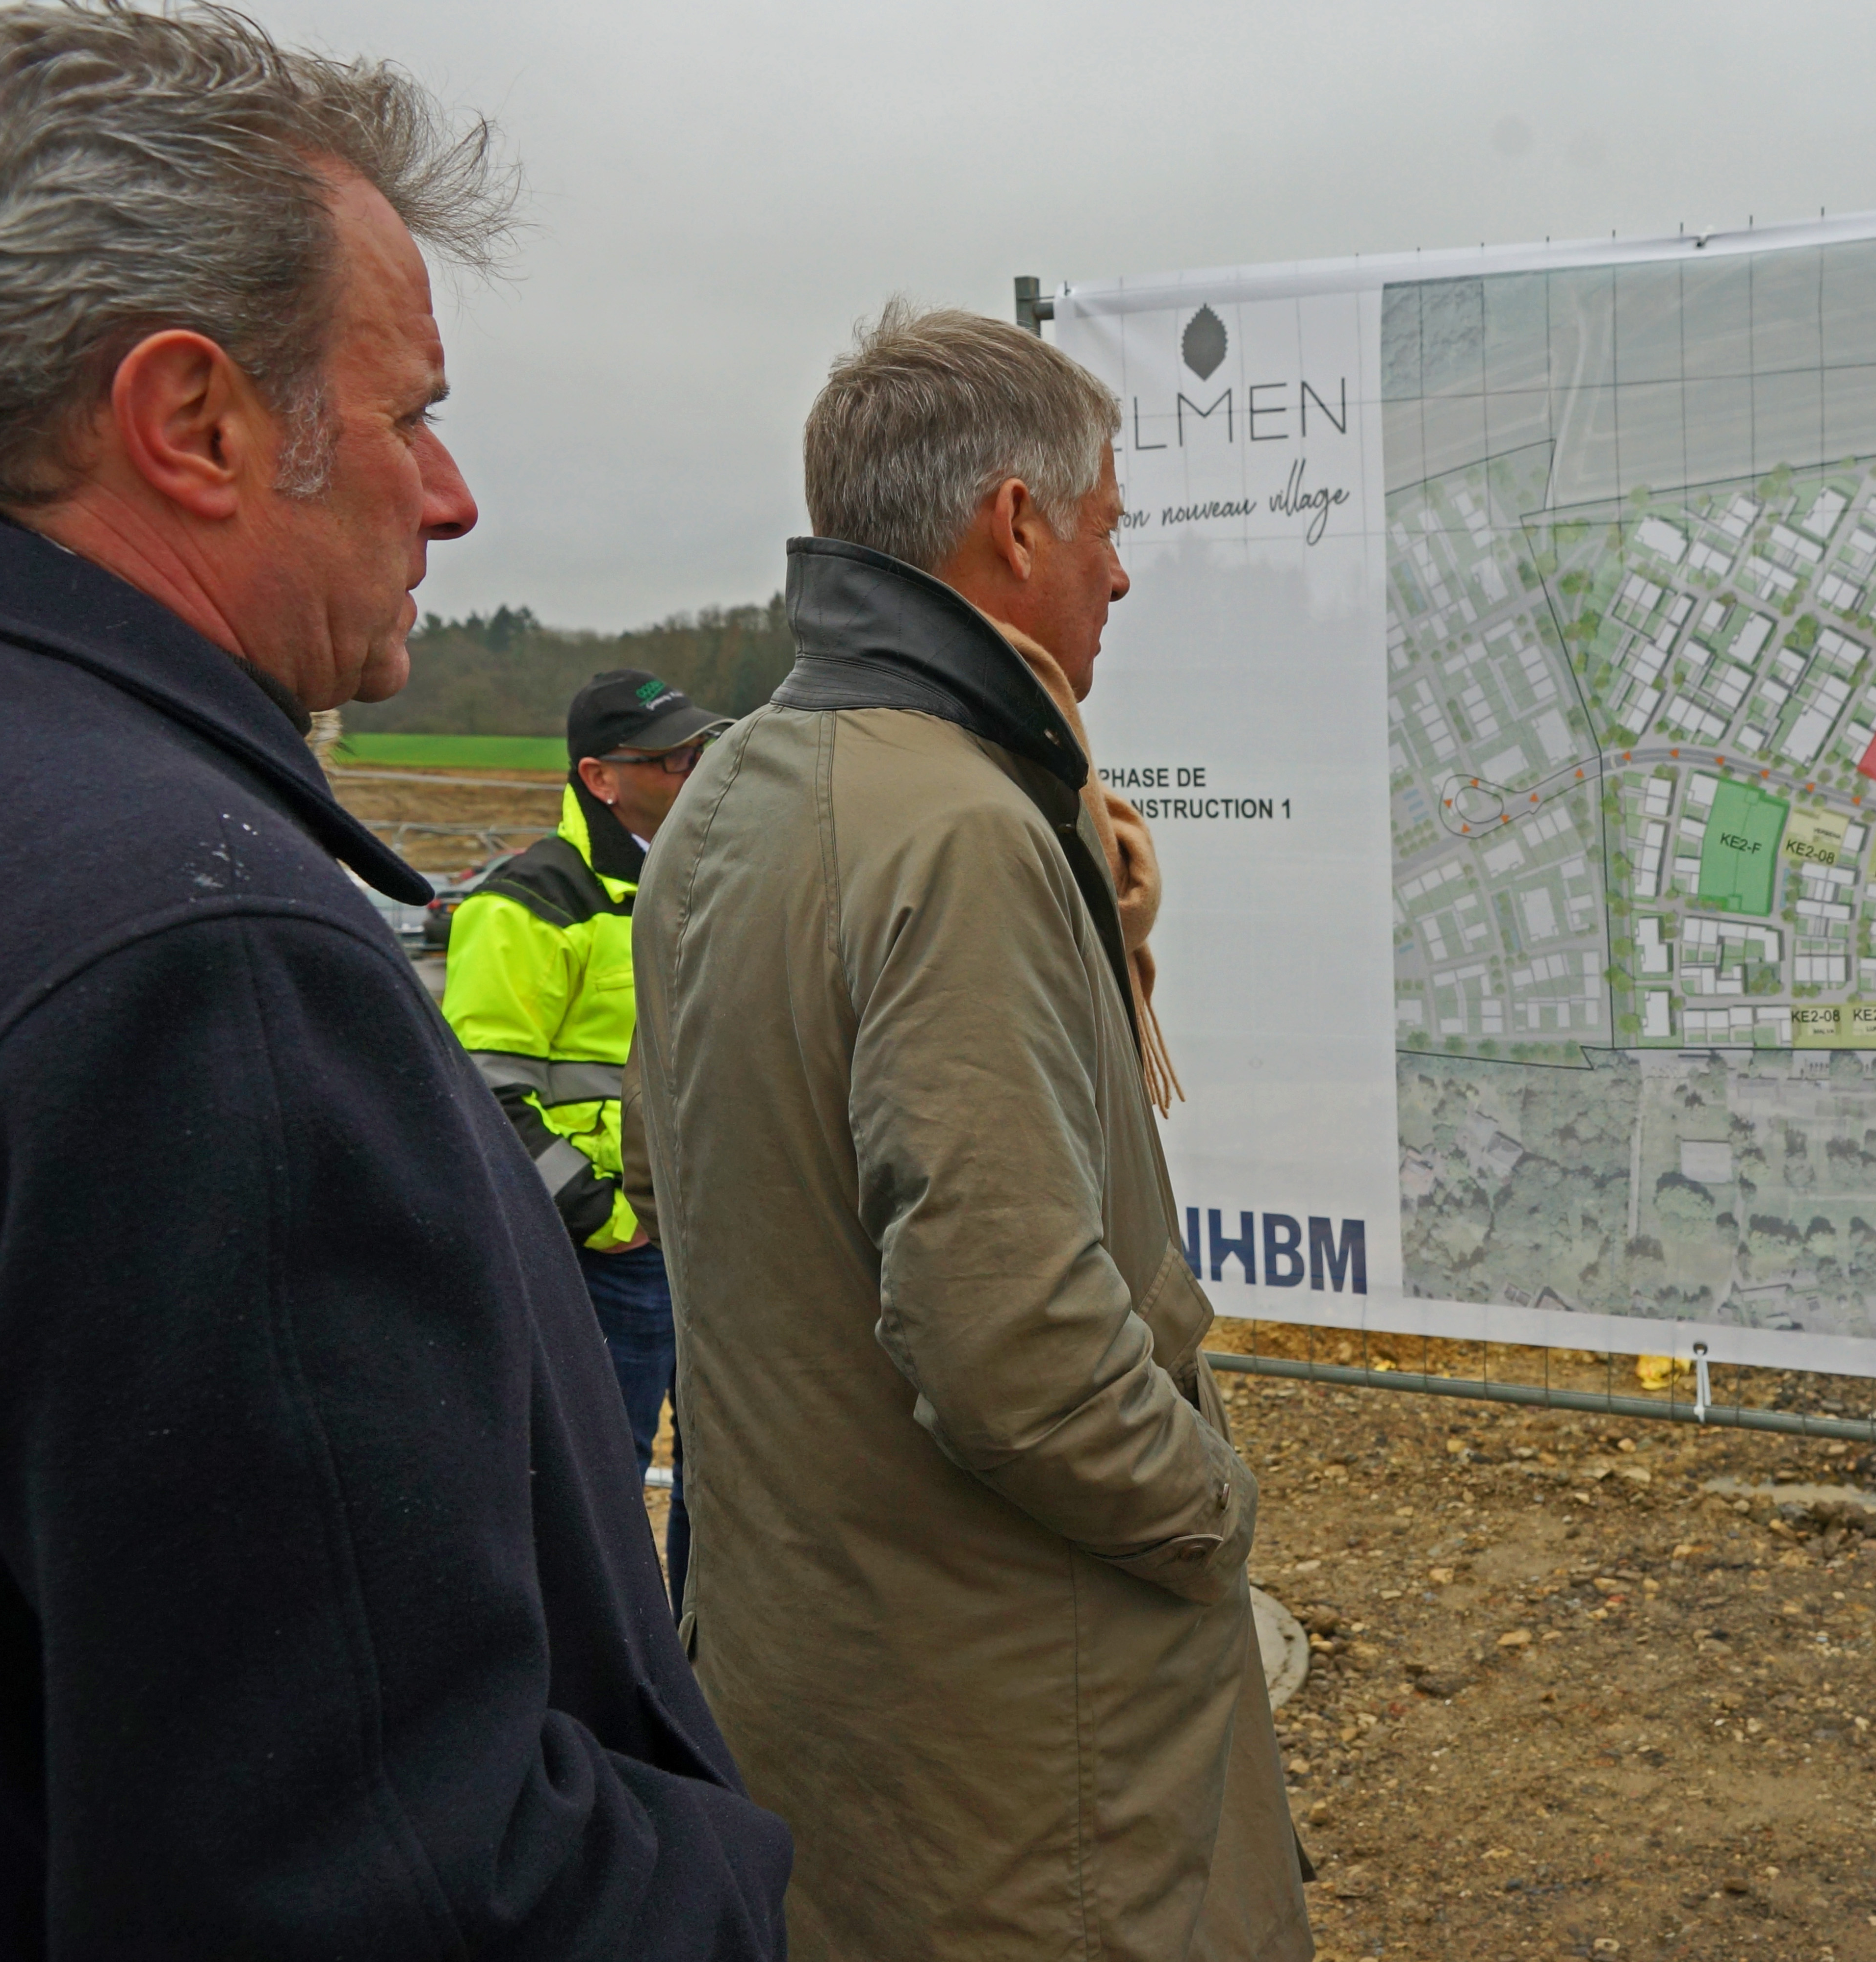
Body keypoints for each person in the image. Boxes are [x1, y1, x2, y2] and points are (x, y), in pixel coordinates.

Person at [0, 7, 788, 1954]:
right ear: (195, 422)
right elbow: (386, 1880)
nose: (453, 497)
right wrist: (723, 1887)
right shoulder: (192, 962)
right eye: (411, 413)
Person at [633, 303, 1304, 1961]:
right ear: (1014, 525)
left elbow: (680, 1183)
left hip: (814, 1675)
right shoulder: (957, 827)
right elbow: (1008, 1332)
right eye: (1110, 529)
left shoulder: (729, 791)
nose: (1123, 577)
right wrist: (1208, 1511)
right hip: (1023, 1747)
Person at [445, 666, 727, 1596]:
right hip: (611, 1255)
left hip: (713, 1242)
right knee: (597, 1493)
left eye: (698, 752)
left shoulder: (701, 884)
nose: (694, 771)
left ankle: (702, 1681)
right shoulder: (527, 903)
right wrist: (609, 1221)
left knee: (731, 1486)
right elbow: (483, 1093)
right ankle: (605, 1704)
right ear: (601, 778)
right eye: (670, 759)